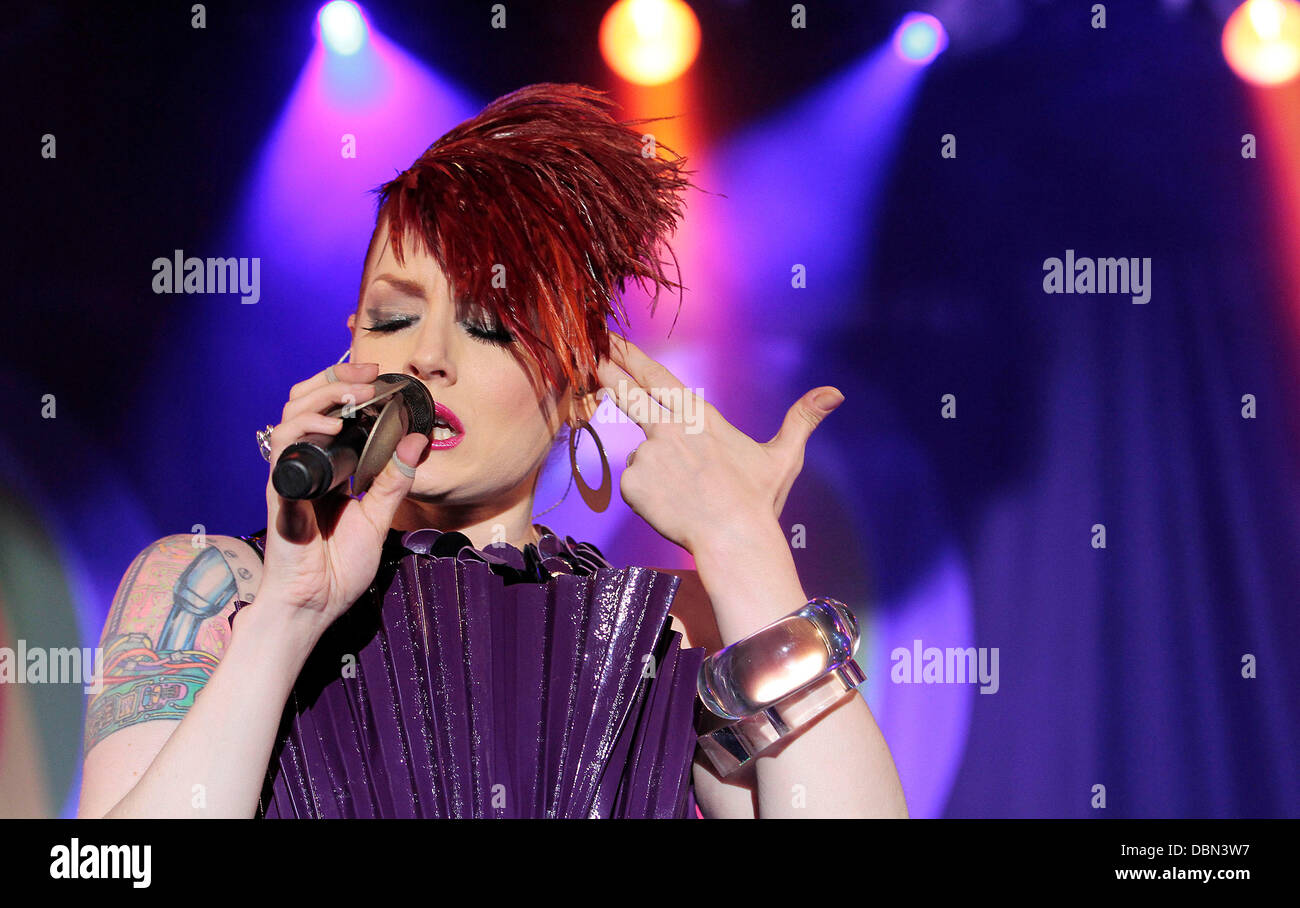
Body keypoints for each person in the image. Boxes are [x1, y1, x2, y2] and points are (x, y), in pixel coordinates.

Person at [77, 83, 908, 819]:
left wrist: (746, 549)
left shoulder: (676, 632)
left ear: (583, 388)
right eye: (394, 319)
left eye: (490, 326)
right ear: (349, 352)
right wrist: (288, 621)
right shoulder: (216, 587)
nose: (429, 355)